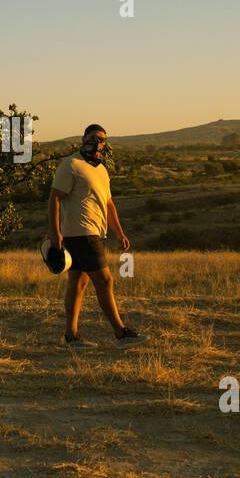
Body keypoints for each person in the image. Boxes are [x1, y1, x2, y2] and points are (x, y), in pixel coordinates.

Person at [47, 125, 144, 349]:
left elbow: (108, 203)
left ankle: (71, 337)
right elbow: (54, 198)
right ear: (83, 138)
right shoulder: (71, 164)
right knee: (105, 280)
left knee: (78, 284)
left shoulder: (101, 169)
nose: (98, 143)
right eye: (94, 138)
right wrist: (55, 233)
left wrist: (120, 233)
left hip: (94, 232)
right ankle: (121, 334)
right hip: (81, 233)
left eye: (102, 140)